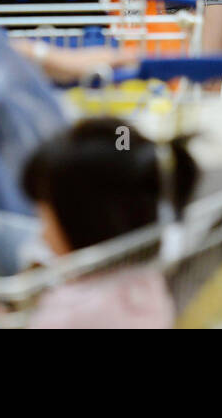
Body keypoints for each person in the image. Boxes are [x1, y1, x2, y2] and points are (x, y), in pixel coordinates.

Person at [22, 117, 199, 329]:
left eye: (46, 219)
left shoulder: (67, 314)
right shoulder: (146, 283)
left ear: (84, 224)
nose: (42, 234)